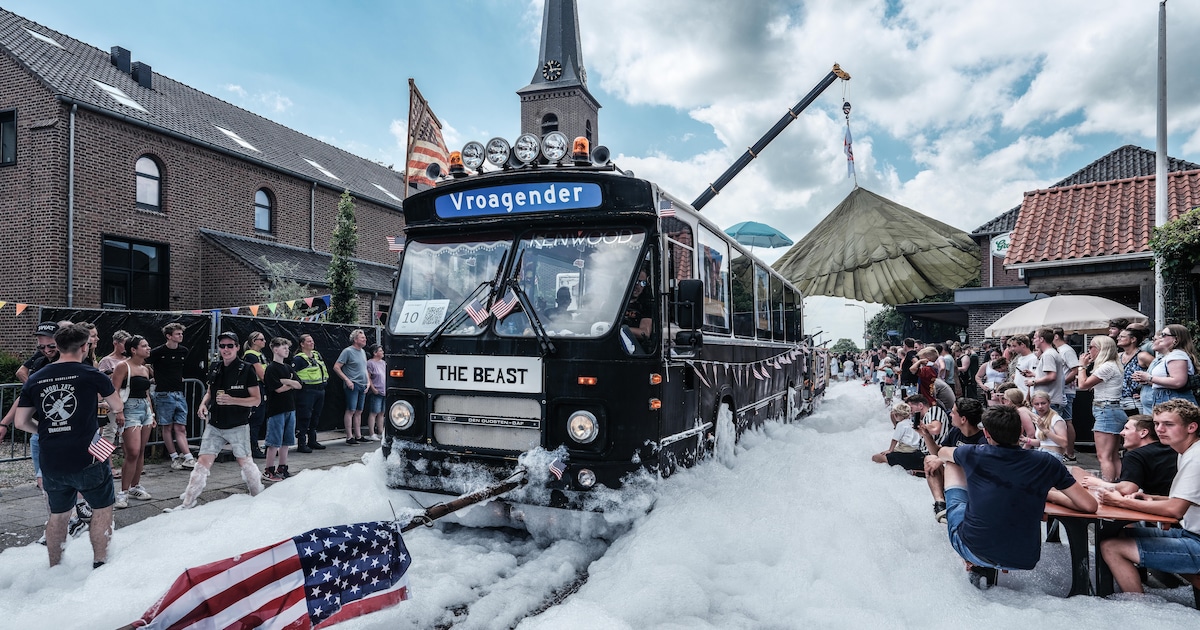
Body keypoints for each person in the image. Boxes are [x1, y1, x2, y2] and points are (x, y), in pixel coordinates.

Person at [938, 405, 1097, 587]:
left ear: (987, 434)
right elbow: (1089, 505)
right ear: (1021, 430)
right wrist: (1047, 495)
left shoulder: (973, 453)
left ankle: (968, 552)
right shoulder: (1046, 462)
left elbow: (942, 452)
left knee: (951, 465)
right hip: (1025, 558)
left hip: (975, 549)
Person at [12, 324, 124, 567]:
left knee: (58, 514)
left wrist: (44, 431)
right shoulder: (91, 374)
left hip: (52, 459)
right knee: (102, 508)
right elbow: (117, 406)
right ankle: (100, 563)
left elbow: (20, 422)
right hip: (88, 457)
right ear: (84, 347)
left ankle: (55, 567)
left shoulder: (36, 378)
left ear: (57, 347)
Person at [1098, 399, 1200, 594]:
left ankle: (1142, 612)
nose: (1160, 429)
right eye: (1157, 423)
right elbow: (1186, 501)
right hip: (1189, 534)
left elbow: (1175, 510)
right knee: (1118, 534)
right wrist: (1151, 498)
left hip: (1196, 542)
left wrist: (1121, 502)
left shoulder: (1195, 458)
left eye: (1169, 424)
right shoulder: (1185, 452)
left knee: (1111, 546)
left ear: (1191, 427)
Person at [166, 331, 263, 511]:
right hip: (215, 423)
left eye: (230, 346)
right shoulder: (215, 367)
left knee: (245, 462)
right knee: (202, 463)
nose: (226, 349)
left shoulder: (247, 368)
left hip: (238, 424)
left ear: (237, 347)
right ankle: (187, 503)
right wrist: (203, 405)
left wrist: (233, 400)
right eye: (222, 346)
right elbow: (210, 392)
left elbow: (256, 399)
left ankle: (258, 497)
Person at [918, 397, 986, 523]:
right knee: (930, 458)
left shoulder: (983, 439)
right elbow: (937, 452)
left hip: (972, 486)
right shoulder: (956, 431)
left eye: (954, 412)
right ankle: (940, 505)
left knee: (938, 460)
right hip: (953, 480)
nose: (950, 414)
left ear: (963, 419)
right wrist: (926, 435)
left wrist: (943, 460)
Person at [1080, 414, 1178, 498]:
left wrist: (1098, 483)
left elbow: (1127, 489)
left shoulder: (1135, 455)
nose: (1121, 433)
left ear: (1143, 433)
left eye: (1126, 429)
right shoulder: (1173, 449)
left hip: (1154, 509)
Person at [111, 335, 155, 509]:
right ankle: (122, 492)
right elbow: (113, 390)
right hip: (129, 409)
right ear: (133, 349)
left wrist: (151, 413)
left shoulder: (144, 369)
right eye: (144, 345)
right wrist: (119, 411)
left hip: (144, 409)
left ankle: (135, 486)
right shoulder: (123, 366)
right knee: (133, 451)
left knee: (141, 450)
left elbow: (146, 393)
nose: (148, 348)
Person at [1075, 335, 1126, 482]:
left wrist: (1082, 366)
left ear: (1101, 349)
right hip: (1112, 408)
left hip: (1105, 409)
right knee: (1113, 454)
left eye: (1091, 347)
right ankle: (1117, 483)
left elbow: (1083, 385)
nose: (1089, 350)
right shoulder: (1114, 364)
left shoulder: (1106, 366)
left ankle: (1107, 486)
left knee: (1103, 456)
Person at [148, 323, 196, 471]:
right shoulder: (158, 351)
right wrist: (153, 375)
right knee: (167, 426)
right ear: (169, 336)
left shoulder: (183, 351)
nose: (181, 336)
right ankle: (174, 457)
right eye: (177, 334)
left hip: (178, 392)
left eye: (181, 334)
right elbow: (143, 362)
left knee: (181, 426)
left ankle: (188, 457)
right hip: (163, 392)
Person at [262, 337, 302, 482]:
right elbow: (277, 389)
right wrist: (288, 383)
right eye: (284, 347)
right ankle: (268, 469)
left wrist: (287, 381)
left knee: (286, 441)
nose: (287, 350)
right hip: (276, 409)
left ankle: (282, 467)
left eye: (287, 348)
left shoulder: (288, 368)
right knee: (274, 441)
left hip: (290, 408)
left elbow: (299, 384)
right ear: (275, 349)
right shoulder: (271, 368)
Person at [1131, 323, 1198, 407]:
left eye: (1163, 335)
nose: (1159, 338)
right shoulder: (1171, 355)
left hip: (1172, 399)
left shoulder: (1177, 355)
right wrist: (1147, 380)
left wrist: (1149, 377)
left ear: (1175, 339)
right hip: (1167, 397)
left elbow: (1178, 382)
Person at [292, 334, 329, 452]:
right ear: (302, 344)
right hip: (307, 391)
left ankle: (312, 440)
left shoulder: (317, 355)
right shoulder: (299, 359)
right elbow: (293, 373)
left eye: (312, 341)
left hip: (320, 389)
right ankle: (301, 443)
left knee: (316, 416)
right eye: (308, 341)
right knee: (304, 417)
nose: (312, 343)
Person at [333, 329, 369, 444]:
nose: (365, 339)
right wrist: (347, 380)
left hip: (363, 385)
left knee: (359, 411)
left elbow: (364, 369)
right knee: (350, 410)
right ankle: (349, 437)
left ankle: (358, 435)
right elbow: (336, 367)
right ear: (355, 339)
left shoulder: (363, 352)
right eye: (362, 338)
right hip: (353, 385)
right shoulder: (347, 351)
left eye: (364, 337)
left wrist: (368, 382)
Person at [241, 331, 269, 459]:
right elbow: (261, 374)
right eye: (261, 339)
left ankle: (253, 446)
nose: (264, 342)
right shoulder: (251, 355)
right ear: (254, 341)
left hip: (261, 388)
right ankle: (253, 448)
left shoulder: (259, 354)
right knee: (255, 419)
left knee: (259, 418)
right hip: (256, 388)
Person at [871, 401, 921, 471]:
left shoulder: (901, 424)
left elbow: (895, 439)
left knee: (875, 457)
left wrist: (890, 450)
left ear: (897, 415)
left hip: (905, 450)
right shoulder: (912, 423)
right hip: (915, 450)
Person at [1025, 390, 1067, 461]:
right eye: (1037, 404)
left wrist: (1044, 429)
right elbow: (1042, 442)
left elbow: (1064, 443)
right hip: (1042, 451)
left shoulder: (1056, 419)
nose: (1040, 406)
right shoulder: (1041, 419)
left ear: (1049, 403)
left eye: (1043, 403)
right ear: (1032, 404)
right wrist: (1026, 440)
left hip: (1052, 454)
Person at [622, 269, 653, 346]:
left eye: (643, 283)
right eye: (636, 281)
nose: (638, 286)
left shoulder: (646, 306)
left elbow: (645, 333)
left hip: (634, 348)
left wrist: (621, 330)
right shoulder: (614, 303)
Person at [365, 343, 386, 440]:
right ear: (375, 353)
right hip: (376, 390)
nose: (383, 352)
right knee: (374, 412)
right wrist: (373, 388)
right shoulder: (370, 363)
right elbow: (368, 377)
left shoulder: (383, 363)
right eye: (380, 351)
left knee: (381, 412)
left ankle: (381, 431)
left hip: (384, 390)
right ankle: (372, 433)